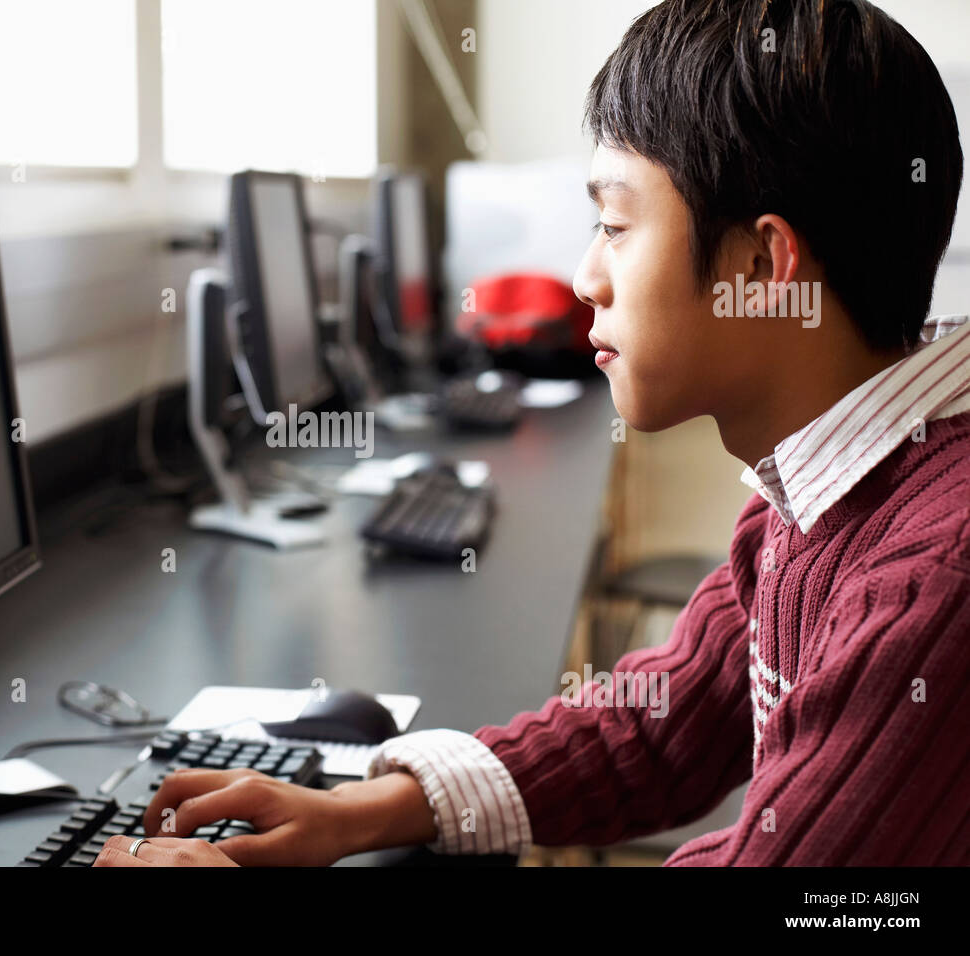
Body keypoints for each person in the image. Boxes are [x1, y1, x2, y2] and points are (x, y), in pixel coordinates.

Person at [98, 0, 970, 867]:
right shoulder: (824, 487)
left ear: (759, 265)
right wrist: (368, 807)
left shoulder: (930, 582)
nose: (586, 276)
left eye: (616, 226)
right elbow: (657, 723)